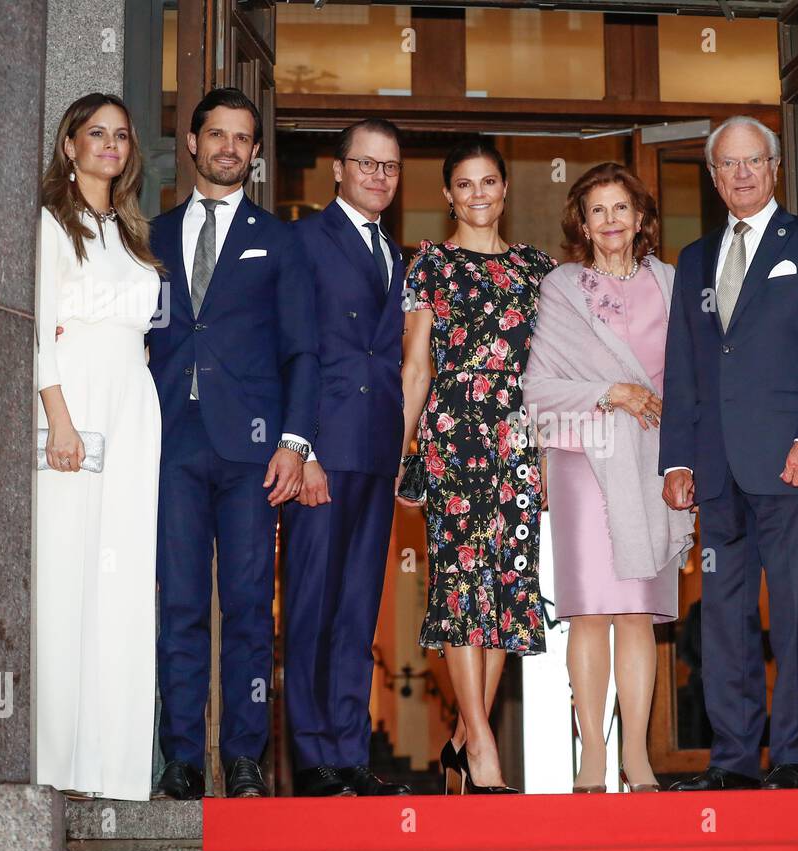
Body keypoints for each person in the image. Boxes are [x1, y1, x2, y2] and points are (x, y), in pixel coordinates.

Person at [659, 116, 798, 791]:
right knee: (723, 617)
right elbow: (683, 366)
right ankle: (734, 760)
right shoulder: (694, 260)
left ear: (774, 168)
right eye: (728, 164)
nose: (742, 174)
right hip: (716, 470)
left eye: (754, 162)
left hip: (790, 463)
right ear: (715, 177)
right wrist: (676, 460)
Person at [148, 88, 319, 799]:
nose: (226, 147)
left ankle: (244, 756)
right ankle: (183, 757)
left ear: (254, 153)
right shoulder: (146, 235)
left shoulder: (280, 239)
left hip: (253, 452)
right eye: (214, 134)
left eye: (240, 138)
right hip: (169, 442)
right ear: (192, 143)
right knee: (179, 603)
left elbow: (303, 350)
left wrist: (295, 442)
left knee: (250, 606)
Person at [522, 163, 694, 793]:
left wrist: (688, 450)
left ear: (642, 217)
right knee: (592, 611)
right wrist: (612, 391)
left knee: (639, 613)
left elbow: (694, 376)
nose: (612, 220)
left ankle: (638, 757)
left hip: (653, 458)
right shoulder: (563, 288)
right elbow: (537, 387)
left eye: (622, 207)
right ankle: (592, 754)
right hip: (584, 458)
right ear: (583, 224)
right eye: (598, 210)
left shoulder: (673, 284)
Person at [399, 138, 554, 795]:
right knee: (462, 586)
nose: (479, 194)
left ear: (505, 189)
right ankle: (484, 751)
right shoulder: (428, 265)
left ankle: (463, 742)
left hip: (519, 442)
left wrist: (547, 453)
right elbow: (415, 368)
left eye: (489, 181)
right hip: (452, 438)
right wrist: (402, 453)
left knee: (505, 591)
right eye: (465, 184)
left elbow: (549, 373)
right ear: (447, 195)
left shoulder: (539, 269)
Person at [34, 93, 163, 802]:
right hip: (76, 407)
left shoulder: (132, 233)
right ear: (70, 146)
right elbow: (39, 328)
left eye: (120, 134)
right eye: (96, 134)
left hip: (133, 407)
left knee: (120, 586)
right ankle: (58, 764)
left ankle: (112, 768)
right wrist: (57, 419)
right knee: (67, 577)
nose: (110, 145)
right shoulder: (54, 226)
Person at [282, 119, 411, 797]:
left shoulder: (399, 254)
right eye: (366, 164)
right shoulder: (303, 240)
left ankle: (349, 752)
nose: (378, 176)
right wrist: (300, 448)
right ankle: (311, 758)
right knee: (311, 604)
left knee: (359, 609)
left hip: (377, 451)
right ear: (337, 169)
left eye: (390, 167)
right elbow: (291, 349)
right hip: (321, 452)